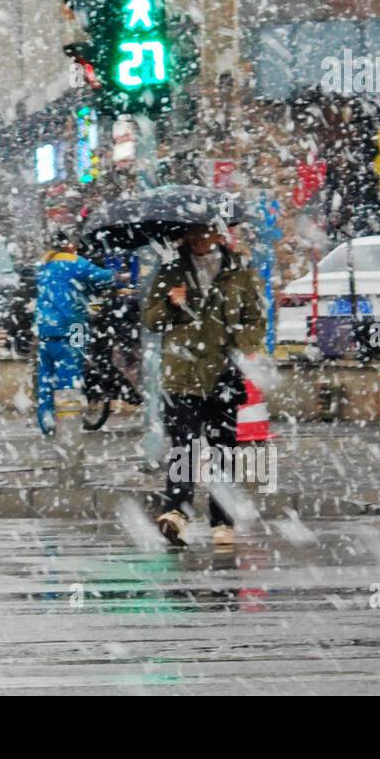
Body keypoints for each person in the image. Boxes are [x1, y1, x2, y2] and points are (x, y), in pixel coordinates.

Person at [143, 223, 265, 548]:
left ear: (218, 233)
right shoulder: (171, 270)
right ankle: (175, 513)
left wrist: (241, 342)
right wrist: (171, 303)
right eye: (192, 233)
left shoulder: (239, 271)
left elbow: (255, 318)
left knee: (221, 450)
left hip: (223, 374)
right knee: (184, 446)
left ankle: (222, 521)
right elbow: (151, 320)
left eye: (204, 232)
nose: (198, 240)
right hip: (182, 375)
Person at [34, 229, 116, 434]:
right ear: (68, 245)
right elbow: (102, 276)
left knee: (46, 375)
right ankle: (69, 421)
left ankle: (47, 420)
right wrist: (121, 274)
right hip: (73, 326)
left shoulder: (44, 265)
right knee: (70, 373)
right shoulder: (72, 262)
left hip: (45, 328)